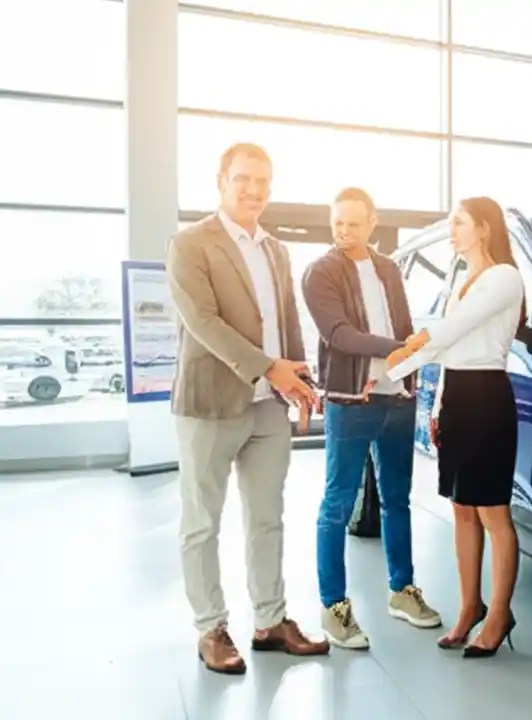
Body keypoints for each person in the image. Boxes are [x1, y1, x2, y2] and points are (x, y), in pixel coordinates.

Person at [166, 142, 329, 675]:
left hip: (268, 407)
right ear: (222, 181)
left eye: (262, 181)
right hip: (210, 403)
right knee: (202, 523)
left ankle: (270, 621)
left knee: (267, 519)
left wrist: (297, 382)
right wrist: (268, 368)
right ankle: (211, 628)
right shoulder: (190, 243)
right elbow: (203, 322)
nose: (253, 190)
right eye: (243, 179)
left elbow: (286, 319)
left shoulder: (275, 249)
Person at [383, 196, 524, 658]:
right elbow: (446, 352)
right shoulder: (462, 280)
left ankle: (499, 614)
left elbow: (450, 332)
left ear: (484, 228)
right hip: (460, 395)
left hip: (486, 396)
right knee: (462, 507)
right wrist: (438, 405)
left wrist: (396, 362)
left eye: (459, 222)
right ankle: (470, 607)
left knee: (492, 512)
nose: (452, 231)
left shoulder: (503, 277)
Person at [300, 187, 441, 649]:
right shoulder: (320, 272)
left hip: (397, 398)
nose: (344, 231)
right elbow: (338, 334)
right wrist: (397, 349)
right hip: (351, 400)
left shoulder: (388, 269)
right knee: (337, 504)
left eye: (353, 224)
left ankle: (402, 591)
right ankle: (334, 607)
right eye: (338, 223)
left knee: (397, 500)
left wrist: (409, 362)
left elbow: (404, 326)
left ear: (372, 223)